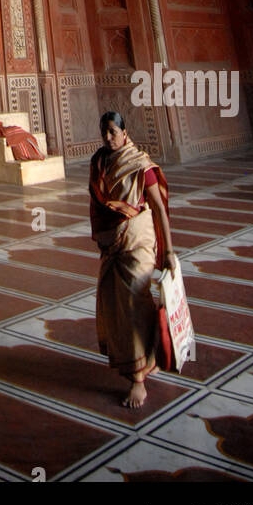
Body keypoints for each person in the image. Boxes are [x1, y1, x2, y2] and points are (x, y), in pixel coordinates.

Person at [89, 110, 176, 409]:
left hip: (138, 239)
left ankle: (139, 379)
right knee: (116, 304)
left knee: (134, 302)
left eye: (113, 132)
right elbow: (99, 205)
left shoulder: (141, 166)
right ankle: (139, 360)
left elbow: (159, 209)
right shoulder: (100, 162)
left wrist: (169, 252)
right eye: (104, 132)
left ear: (125, 133)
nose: (108, 137)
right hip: (114, 241)